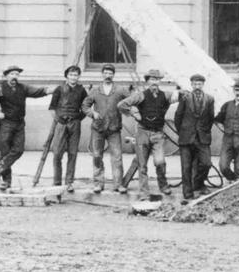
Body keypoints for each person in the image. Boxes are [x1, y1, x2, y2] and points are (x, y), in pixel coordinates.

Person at [0, 65, 50, 192]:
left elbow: (38, 92)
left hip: (19, 124)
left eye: (17, 74)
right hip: (6, 124)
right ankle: (6, 182)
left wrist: (51, 90)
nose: (15, 76)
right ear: (6, 76)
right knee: (5, 152)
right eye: (12, 74)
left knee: (18, 150)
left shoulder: (23, 88)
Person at [118, 69, 175, 200]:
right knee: (142, 165)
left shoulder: (165, 95)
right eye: (152, 79)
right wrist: (133, 113)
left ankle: (163, 185)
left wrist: (183, 93)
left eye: (157, 79)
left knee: (160, 162)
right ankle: (144, 192)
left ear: (159, 81)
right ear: (148, 81)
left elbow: (177, 97)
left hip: (158, 134)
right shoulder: (140, 95)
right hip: (142, 133)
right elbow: (121, 104)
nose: (154, 82)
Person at [82, 63, 127, 193]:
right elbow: (85, 106)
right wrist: (92, 113)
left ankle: (118, 184)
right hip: (98, 128)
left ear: (113, 75)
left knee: (117, 157)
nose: (108, 76)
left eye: (110, 73)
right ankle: (98, 183)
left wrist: (127, 110)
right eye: (106, 73)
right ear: (102, 74)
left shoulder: (120, 90)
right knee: (97, 156)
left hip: (114, 129)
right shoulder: (95, 90)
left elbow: (131, 100)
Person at [175, 73, 215, 201]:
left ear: (203, 85)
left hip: (202, 138)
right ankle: (187, 192)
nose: (197, 86)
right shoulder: (185, 98)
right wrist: (182, 132)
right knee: (186, 167)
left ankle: (197, 183)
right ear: (191, 85)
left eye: (200, 84)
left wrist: (204, 131)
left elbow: (210, 118)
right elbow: (178, 116)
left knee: (206, 163)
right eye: (195, 84)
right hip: (186, 138)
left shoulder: (209, 99)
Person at [49, 64, 87, 191]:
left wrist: (78, 118)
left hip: (74, 124)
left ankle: (69, 182)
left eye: (76, 75)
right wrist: (58, 119)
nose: (73, 77)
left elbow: (86, 107)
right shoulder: (59, 89)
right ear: (66, 76)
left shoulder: (82, 90)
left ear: (78, 76)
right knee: (57, 154)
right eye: (71, 75)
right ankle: (57, 181)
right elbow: (52, 108)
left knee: (73, 153)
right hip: (61, 123)